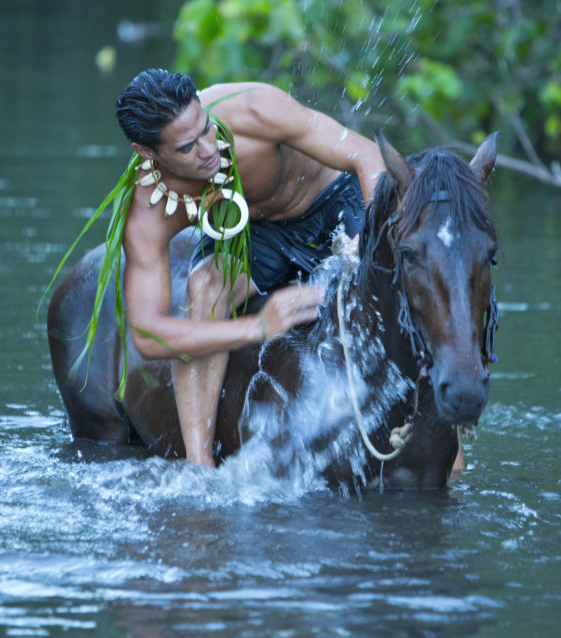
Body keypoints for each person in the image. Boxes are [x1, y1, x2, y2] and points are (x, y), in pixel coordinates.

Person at [114, 69, 386, 467]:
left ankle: (451, 455)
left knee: (397, 278)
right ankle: (199, 466)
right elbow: (147, 334)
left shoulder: (253, 109)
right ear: (147, 153)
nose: (208, 149)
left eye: (206, 129)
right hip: (256, 232)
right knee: (204, 287)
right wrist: (257, 327)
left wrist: (372, 233)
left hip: (332, 202)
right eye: (188, 147)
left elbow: (366, 154)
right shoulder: (149, 212)